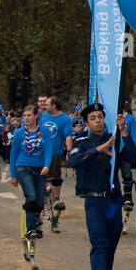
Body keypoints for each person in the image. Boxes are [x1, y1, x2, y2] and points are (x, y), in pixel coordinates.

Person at [70, 103, 136, 270]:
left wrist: (123, 131)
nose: (98, 121)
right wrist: (101, 148)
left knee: (110, 247)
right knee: (99, 247)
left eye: (100, 116)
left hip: (112, 204)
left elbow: (133, 156)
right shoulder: (82, 141)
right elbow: (74, 160)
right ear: (87, 123)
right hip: (94, 203)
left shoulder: (115, 137)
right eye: (93, 118)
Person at [6, 105, 53, 240]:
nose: (26, 118)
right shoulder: (19, 133)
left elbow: (48, 149)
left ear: (36, 116)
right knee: (31, 197)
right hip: (23, 167)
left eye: (29, 115)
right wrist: (13, 175)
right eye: (24, 116)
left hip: (40, 169)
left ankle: (37, 225)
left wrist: (47, 165)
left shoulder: (44, 131)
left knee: (39, 201)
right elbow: (13, 155)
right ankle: (30, 228)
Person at [42, 96, 75, 225]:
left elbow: (68, 136)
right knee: (41, 176)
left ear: (54, 105)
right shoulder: (44, 116)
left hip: (55, 152)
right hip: (41, 152)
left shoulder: (65, 119)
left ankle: (56, 199)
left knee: (55, 177)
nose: (45, 106)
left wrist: (69, 152)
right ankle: (44, 195)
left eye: (47, 104)